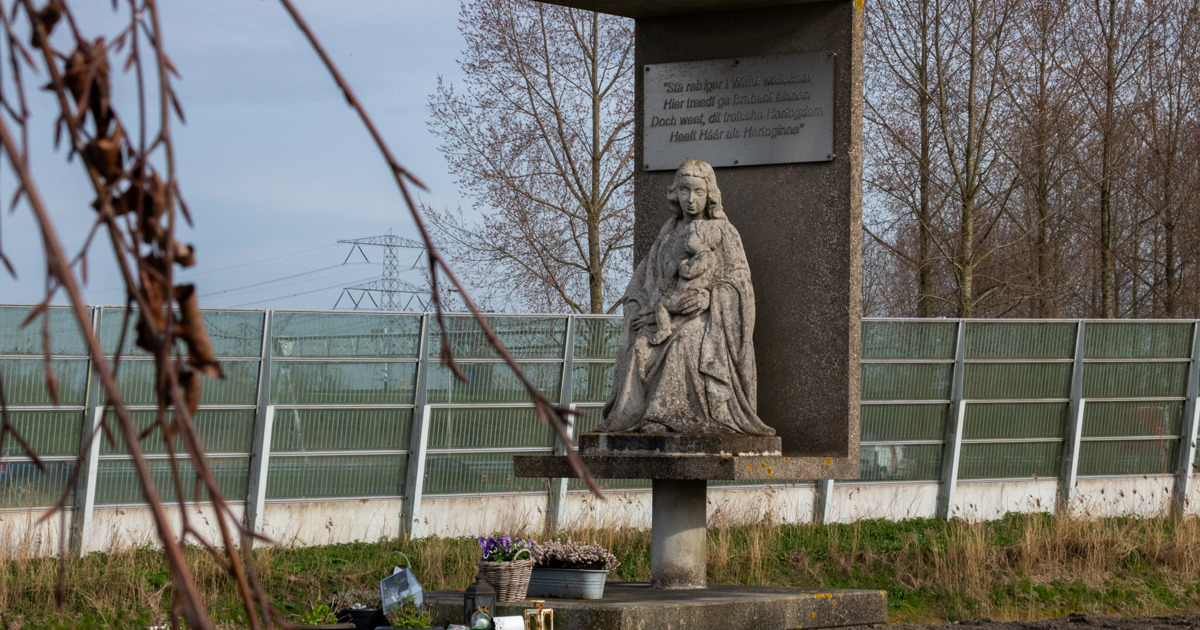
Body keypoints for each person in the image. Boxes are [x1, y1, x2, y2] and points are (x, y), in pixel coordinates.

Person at [598, 160, 774, 435]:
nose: (691, 200)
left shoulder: (724, 232)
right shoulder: (667, 234)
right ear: (675, 193)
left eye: (698, 192)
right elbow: (641, 283)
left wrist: (710, 298)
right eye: (684, 191)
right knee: (641, 345)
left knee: (685, 340)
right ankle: (634, 418)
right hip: (665, 311)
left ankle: (666, 418)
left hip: (707, 321)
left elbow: (741, 284)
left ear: (710, 194)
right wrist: (641, 308)